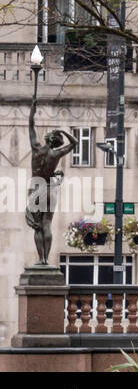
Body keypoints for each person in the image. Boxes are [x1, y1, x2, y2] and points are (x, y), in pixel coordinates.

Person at [26, 72, 77, 266]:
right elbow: (74, 143)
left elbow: (30, 124)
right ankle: (46, 260)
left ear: (47, 138)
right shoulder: (56, 154)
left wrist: (32, 107)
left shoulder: (36, 148)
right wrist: (64, 131)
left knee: (37, 226)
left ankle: (41, 259)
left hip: (36, 187)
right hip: (48, 188)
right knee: (47, 224)